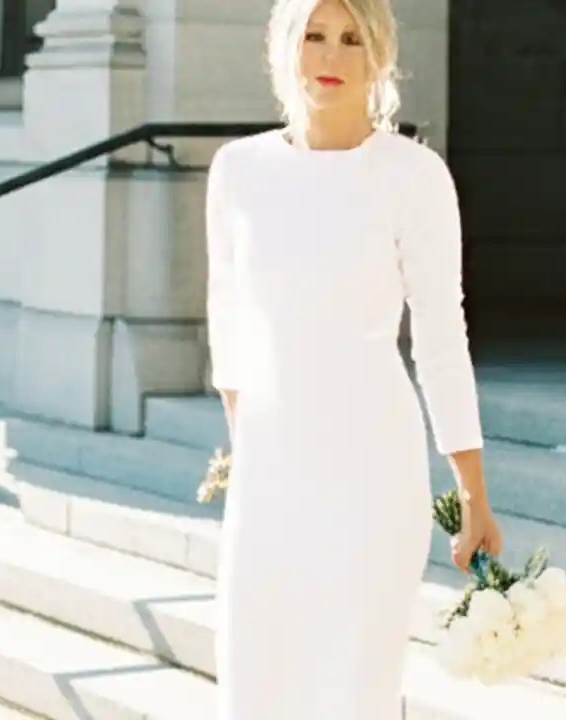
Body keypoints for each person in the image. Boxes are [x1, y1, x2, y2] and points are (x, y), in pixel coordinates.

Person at [206, 0, 503, 716]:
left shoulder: (414, 175)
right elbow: (228, 320)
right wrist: (247, 443)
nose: (331, 57)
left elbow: (440, 336)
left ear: (378, 55)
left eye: (351, 39)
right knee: (257, 682)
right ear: (284, 46)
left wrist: (471, 488)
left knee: (353, 688)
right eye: (314, 36)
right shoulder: (238, 170)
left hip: (374, 466)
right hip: (272, 465)